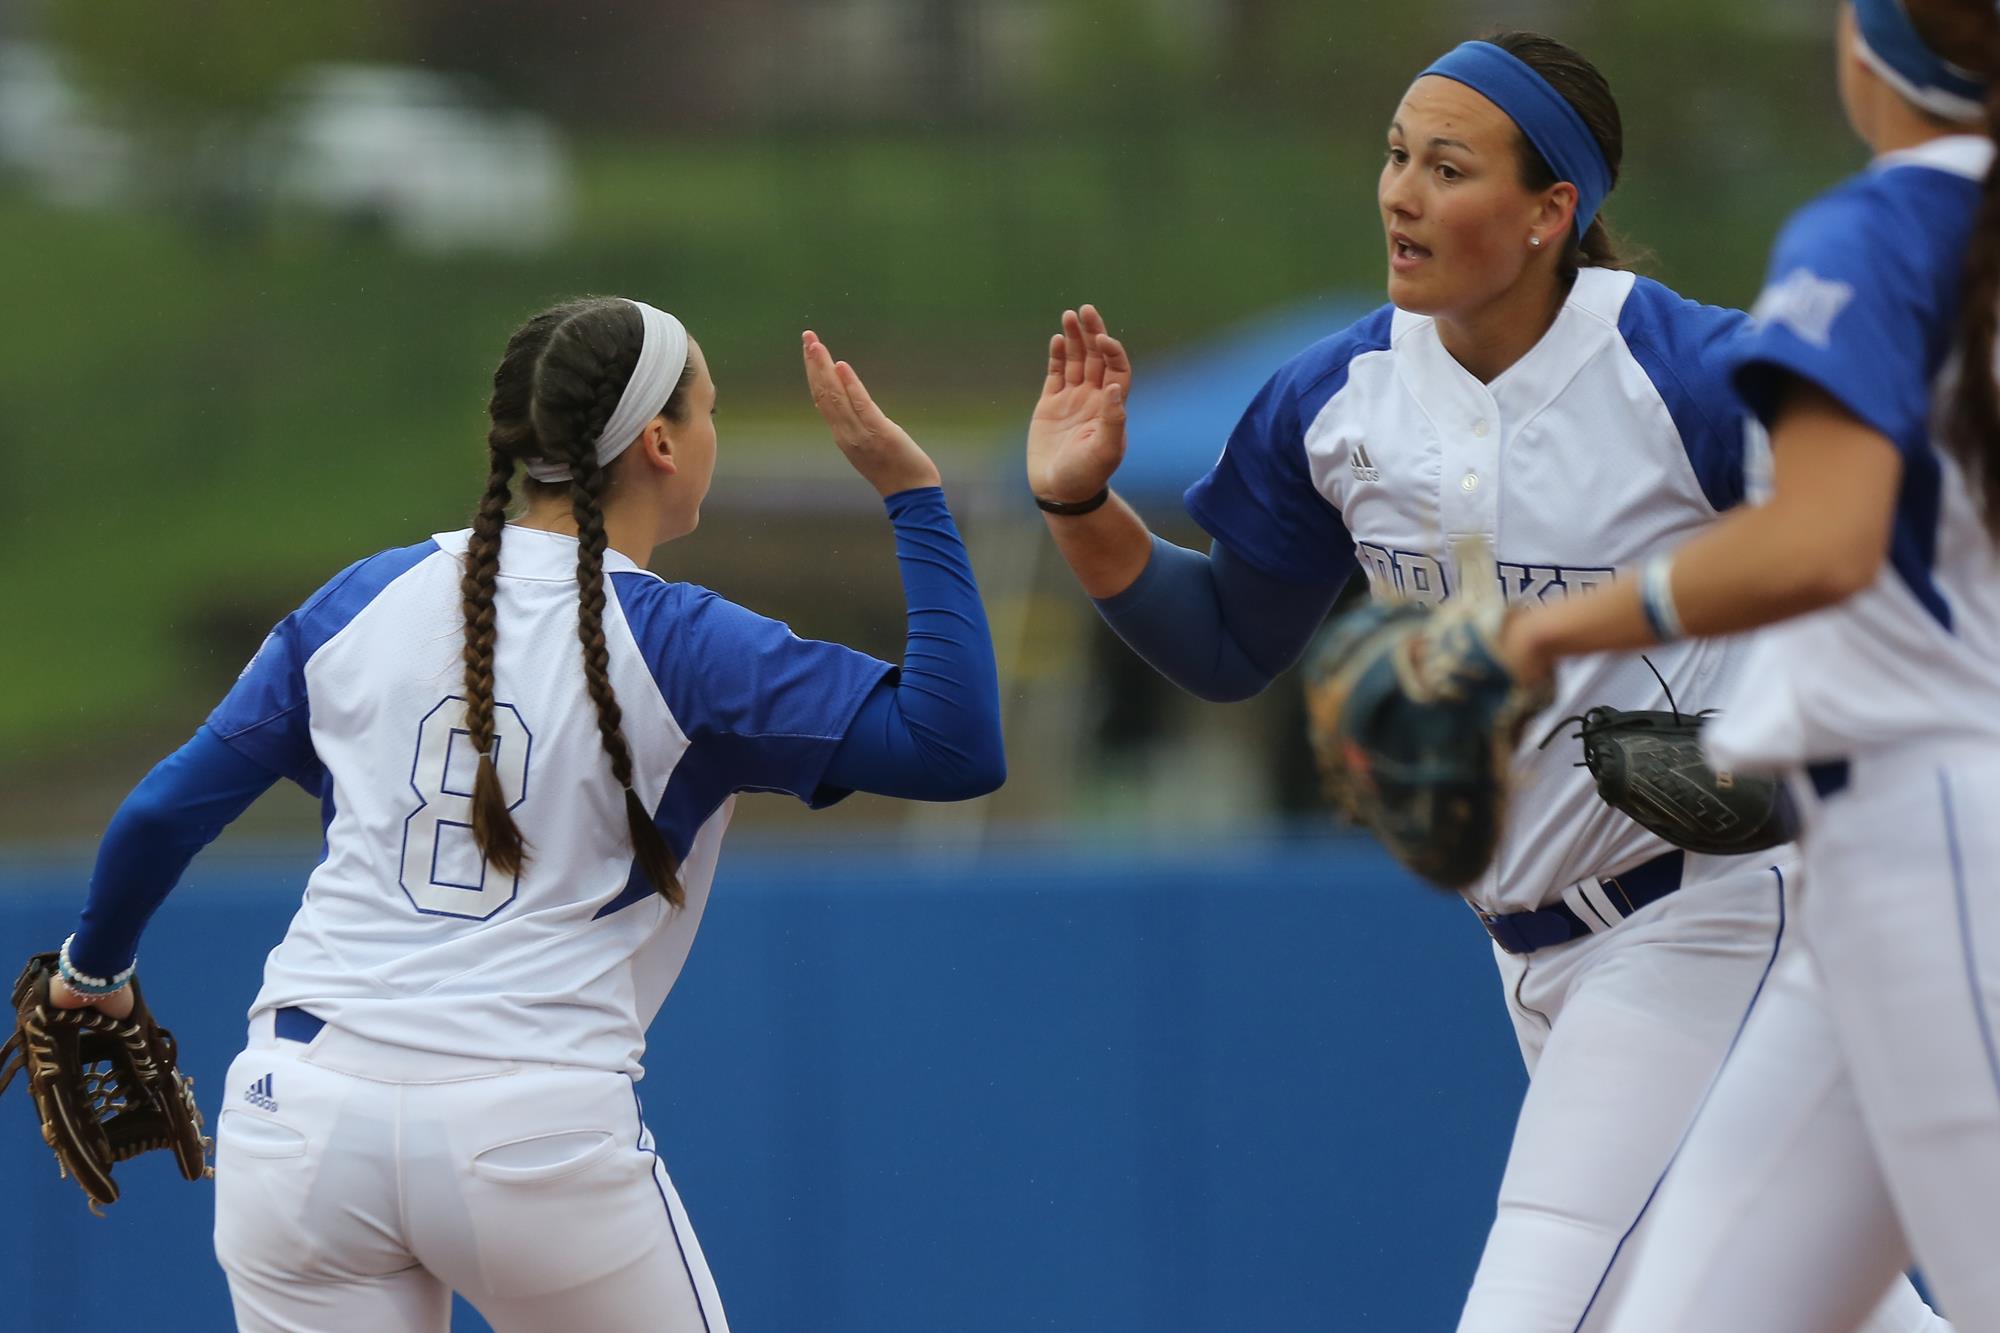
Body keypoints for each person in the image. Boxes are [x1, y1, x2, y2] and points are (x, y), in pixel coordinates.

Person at [1024, 30, 1945, 1333]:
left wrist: (1809, 744)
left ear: (1549, 213)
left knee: (1537, 1299)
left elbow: (1881, 543)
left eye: (1448, 167)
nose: (1402, 191)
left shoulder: (1681, 373)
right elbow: (1229, 640)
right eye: (1396, 155)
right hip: (1526, 952)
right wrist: (1077, 502)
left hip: (1709, 905)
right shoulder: (1336, 399)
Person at [43, 297, 1005, 1332]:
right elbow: (954, 747)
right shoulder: (687, 647)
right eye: (710, 409)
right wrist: (910, 492)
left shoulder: (358, 602)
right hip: (529, 1131)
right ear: (660, 443)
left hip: (301, 1117)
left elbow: (157, 816)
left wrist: (93, 971)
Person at [1478, 3, 1999, 1329]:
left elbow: (1819, 541)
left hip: (1936, 825)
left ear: (1872, 49)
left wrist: (1558, 624)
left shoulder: (1885, 226)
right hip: (1864, 872)